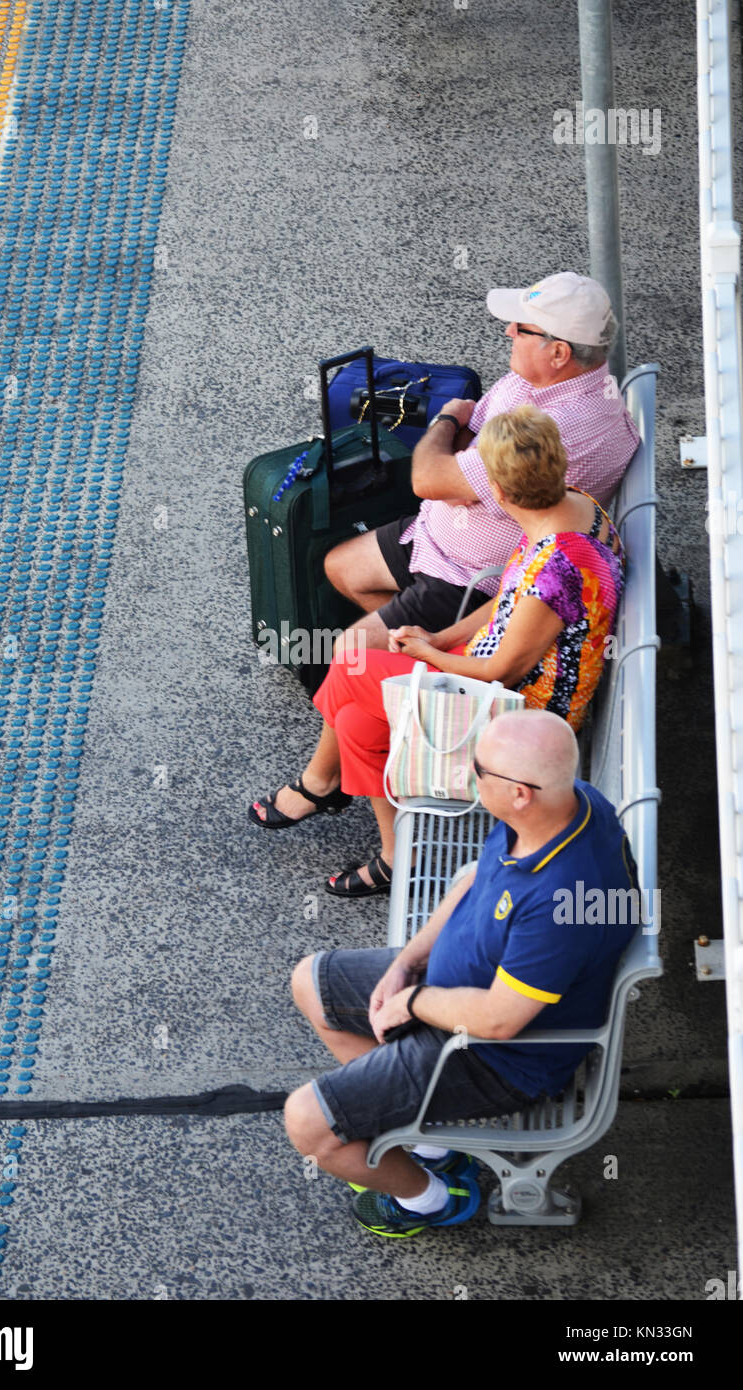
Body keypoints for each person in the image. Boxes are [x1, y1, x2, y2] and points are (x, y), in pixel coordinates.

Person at [284, 708, 642, 1237]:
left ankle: (431, 1200)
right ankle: (432, 1143)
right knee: (310, 981)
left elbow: (498, 1020)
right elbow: (473, 881)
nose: (466, 775)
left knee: (308, 1125)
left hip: (495, 1057)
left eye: (477, 768)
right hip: (453, 992)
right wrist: (407, 962)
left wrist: (412, 1001)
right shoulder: (566, 804)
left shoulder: (566, 899)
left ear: (520, 792)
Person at [249, 405, 624, 899]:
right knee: (361, 719)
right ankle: (388, 849)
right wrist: (441, 639)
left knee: (349, 664)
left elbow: (499, 671)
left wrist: (430, 652)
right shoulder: (572, 505)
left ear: (503, 493)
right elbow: (502, 603)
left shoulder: (554, 569)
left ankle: (323, 784)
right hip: (497, 674)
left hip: (519, 712)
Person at [323, 271, 638, 662]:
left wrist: (446, 420)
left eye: (522, 329)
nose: (508, 331)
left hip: (472, 577)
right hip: (437, 535)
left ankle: (437, 662)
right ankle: (420, 653)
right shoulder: (536, 381)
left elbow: (426, 478)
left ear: (559, 353)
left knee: (347, 651)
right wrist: (457, 474)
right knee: (340, 566)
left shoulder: (559, 429)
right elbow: (458, 457)